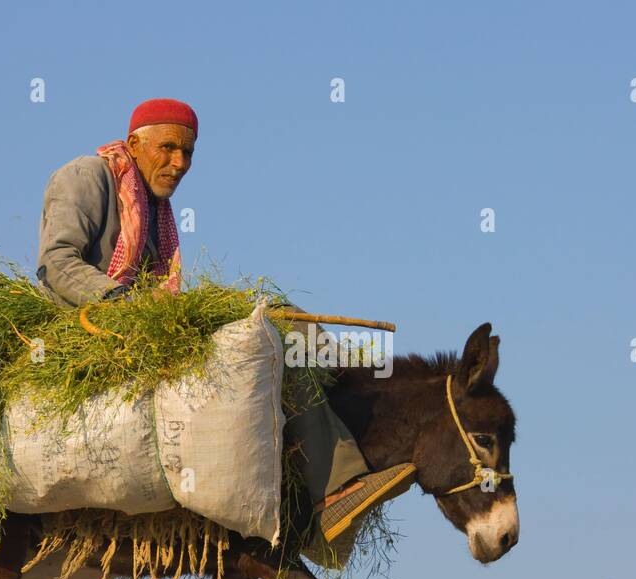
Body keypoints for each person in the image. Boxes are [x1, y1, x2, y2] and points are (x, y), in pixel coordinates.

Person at [35, 98, 403, 545]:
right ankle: (337, 483)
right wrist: (122, 303)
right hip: (92, 328)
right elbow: (56, 262)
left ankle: (341, 451)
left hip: (141, 325)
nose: (180, 163)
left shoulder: (153, 207)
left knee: (289, 324)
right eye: (168, 148)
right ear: (134, 143)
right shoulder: (86, 176)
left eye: (188, 152)